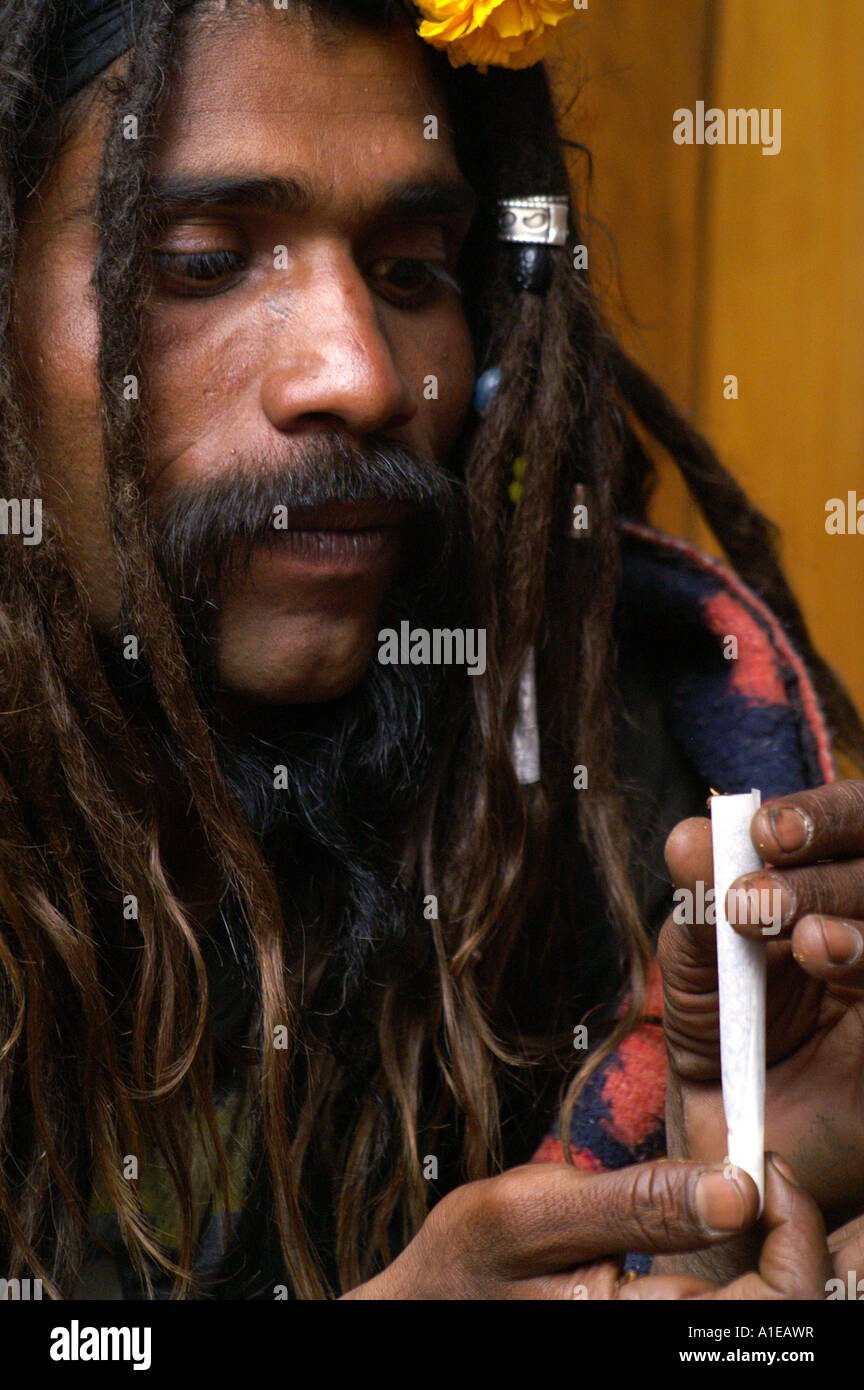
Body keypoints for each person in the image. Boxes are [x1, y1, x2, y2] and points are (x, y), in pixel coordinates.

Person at [1, 0, 862, 1300]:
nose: (357, 371)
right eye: (198, 261)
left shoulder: (631, 772)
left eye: (413, 272)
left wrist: (724, 1166)